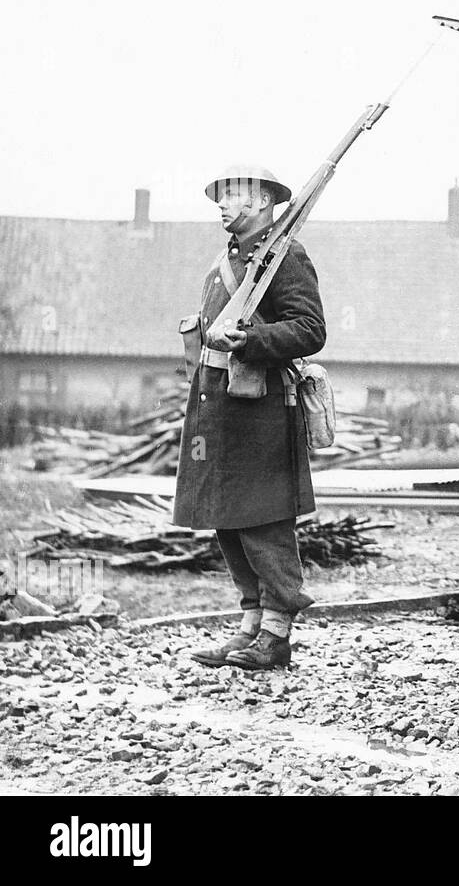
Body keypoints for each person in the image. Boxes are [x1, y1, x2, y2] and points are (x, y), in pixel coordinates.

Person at [177, 164, 325, 671]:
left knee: (264, 521)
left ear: (263, 201)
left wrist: (253, 342)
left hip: (261, 407)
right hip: (218, 406)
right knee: (227, 518)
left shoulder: (286, 256)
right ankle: (248, 628)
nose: (222, 203)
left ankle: (276, 635)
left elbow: (309, 329)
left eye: (233, 194)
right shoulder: (225, 261)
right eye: (219, 195)